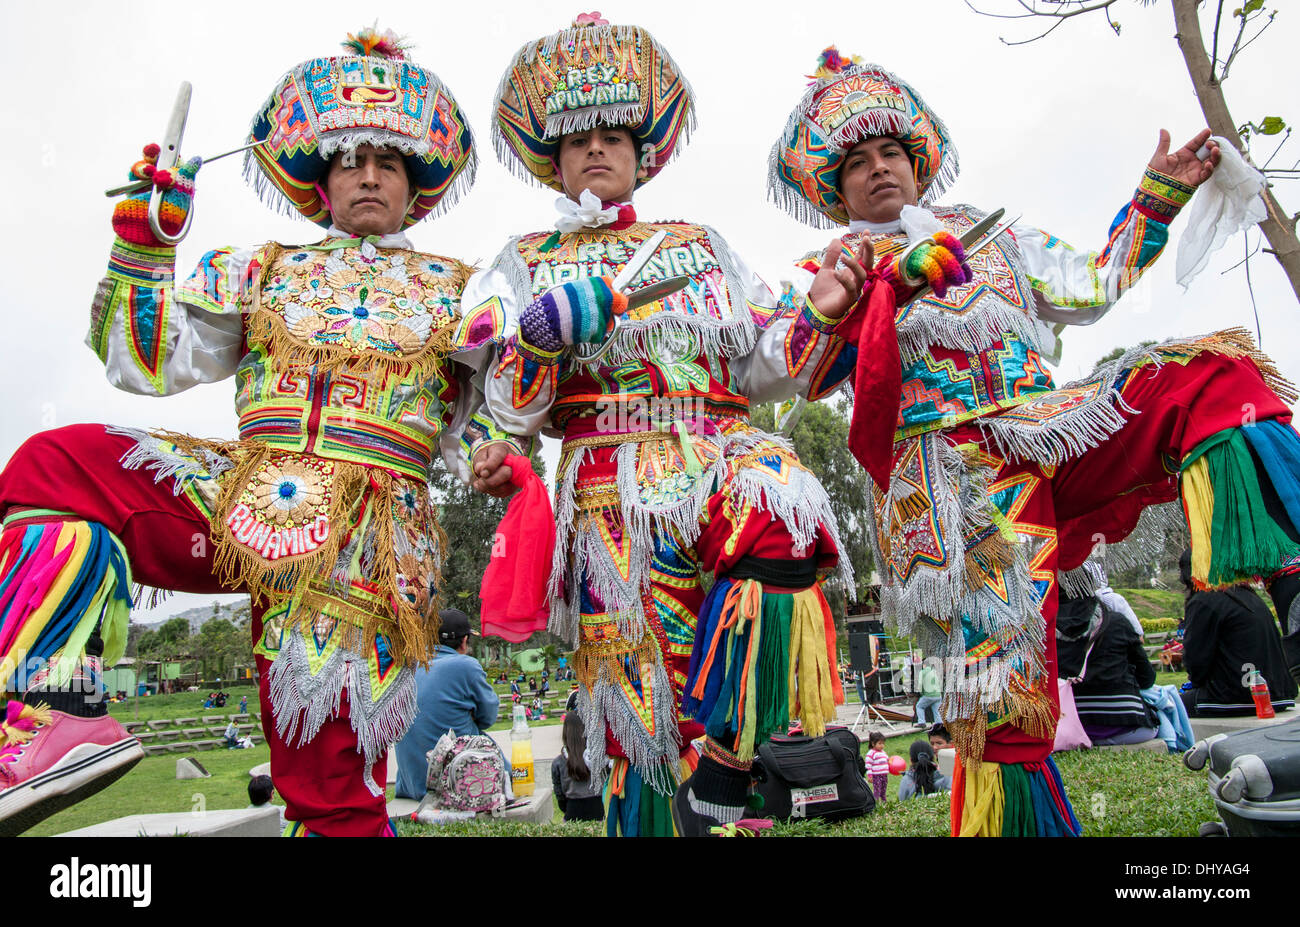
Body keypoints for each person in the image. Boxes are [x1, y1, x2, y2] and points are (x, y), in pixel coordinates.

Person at [768, 48, 1300, 837]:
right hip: (948, 485)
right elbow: (802, 370)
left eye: (892, 152)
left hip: (1047, 430)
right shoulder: (831, 266)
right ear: (834, 185)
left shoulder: (991, 232)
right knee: (1008, 704)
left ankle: (1292, 588)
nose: (879, 169)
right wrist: (873, 293)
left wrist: (1159, 197)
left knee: (1212, 376)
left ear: (919, 163)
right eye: (856, 162)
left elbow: (1091, 282)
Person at [0, 28, 513, 837]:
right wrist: (143, 246)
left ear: (415, 182)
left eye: (388, 160)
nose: (369, 174)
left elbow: (499, 415)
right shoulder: (261, 268)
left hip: (368, 533)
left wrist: (498, 448)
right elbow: (145, 364)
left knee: (325, 784)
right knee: (53, 465)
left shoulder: (464, 292)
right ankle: (56, 711)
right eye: (350, 158)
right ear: (322, 179)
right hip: (243, 494)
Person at [474, 15, 849, 836]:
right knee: (639, 694)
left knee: (784, 505)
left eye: (614, 135)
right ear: (553, 161)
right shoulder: (522, 259)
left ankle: (729, 765)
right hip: (610, 492)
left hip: (718, 456)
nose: (597, 151)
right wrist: (538, 337)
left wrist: (820, 314)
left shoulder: (703, 248)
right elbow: (510, 408)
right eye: (578, 141)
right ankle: (664, 806)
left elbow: (767, 359)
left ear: (644, 152)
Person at [393, 609, 503, 801]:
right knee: (496, 758)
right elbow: (488, 715)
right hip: (455, 781)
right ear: (464, 640)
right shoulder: (466, 665)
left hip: (411, 783)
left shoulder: (410, 664)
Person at [1178, 550, 1298, 717]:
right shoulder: (1250, 596)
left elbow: (1195, 662)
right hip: (1280, 693)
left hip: (1238, 696)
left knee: (1168, 707)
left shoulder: (1204, 600)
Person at [1056, 594, 1158, 745]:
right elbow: (1147, 679)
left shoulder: (1045, 627)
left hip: (1068, 725)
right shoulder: (1118, 622)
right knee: (1163, 703)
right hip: (1126, 726)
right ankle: (1179, 749)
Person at [550, 710, 605, 823]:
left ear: (566, 732)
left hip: (572, 816)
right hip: (601, 814)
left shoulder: (558, 762)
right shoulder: (601, 759)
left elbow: (560, 798)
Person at [913, 655, 942, 726]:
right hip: (938, 695)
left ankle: (921, 722)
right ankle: (940, 723)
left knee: (919, 706)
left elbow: (919, 685)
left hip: (928, 695)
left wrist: (921, 694)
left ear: (924, 665)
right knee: (936, 711)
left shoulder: (922, 672)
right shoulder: (934, 672)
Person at [864, 731, 890, 804]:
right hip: (876, 776)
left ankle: (884, 802)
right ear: (873, 743)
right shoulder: (871, 753)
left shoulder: (883, 752)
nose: (882, 746)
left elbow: (887, 760)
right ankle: (876, 803)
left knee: (883, 790)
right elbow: (868, 765)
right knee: (877, 790)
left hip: (884, 775)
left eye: (883, 743)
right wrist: (870, 775)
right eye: (880, 743)